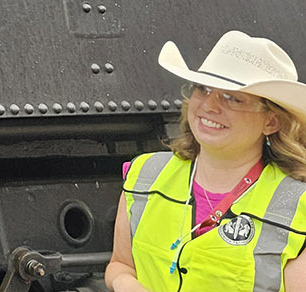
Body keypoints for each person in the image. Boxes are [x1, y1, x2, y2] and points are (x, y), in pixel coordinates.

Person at [106, 30, 306, 291]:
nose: (209, 106)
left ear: (271, 122)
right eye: (204, 89)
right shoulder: (144, 176)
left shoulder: (298, 206)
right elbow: (120, 264)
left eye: (232, 97)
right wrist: (125, 284)